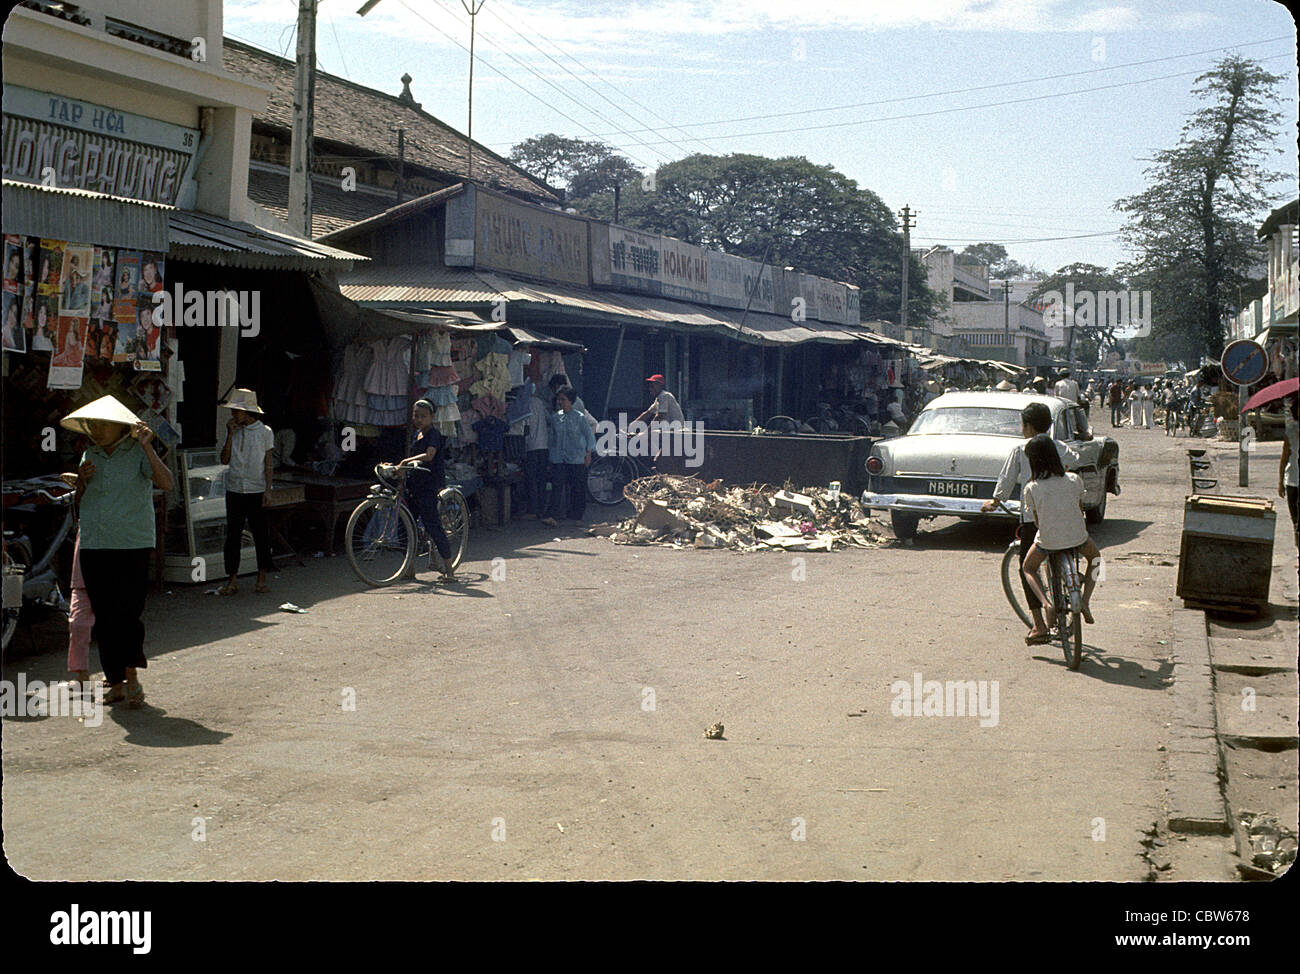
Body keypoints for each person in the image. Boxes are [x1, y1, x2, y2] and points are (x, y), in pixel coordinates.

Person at [63, 395, 173, 708]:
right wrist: (81, 482)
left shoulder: (138, 450)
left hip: (132, 543)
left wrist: (149, 446)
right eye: (92, 424)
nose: (96, 430)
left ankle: (132, 676)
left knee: (128, 615)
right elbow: (82, 499)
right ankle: (115, 683)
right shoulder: (90, 453)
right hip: (95, 544)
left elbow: (166, 483)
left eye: (102, 424)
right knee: (106, 619)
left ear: (118, 427)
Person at [981, 403, 1081, 645]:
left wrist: (995, 501)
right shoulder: (1061, 447)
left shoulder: (1020, 449)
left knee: (1027, 568)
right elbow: (1074, 462)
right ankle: (1079, 596)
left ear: (1028, 425)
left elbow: (1006, 481)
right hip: (1066, 520)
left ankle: (1039, 623)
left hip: (1034, 521)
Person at [1019, 434, 1100, 639]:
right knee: (1096, 559)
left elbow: (1038, 522)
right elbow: (1079, 510)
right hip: (1078, 538)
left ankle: (1046, 604)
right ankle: (1085, 601)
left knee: (1028, 567)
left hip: (1048, 541)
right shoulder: (1073, 479)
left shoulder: (1032, 488)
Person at [218, 389, 275, 595]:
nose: (233, 415)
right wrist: (230, 434)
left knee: (261, 534)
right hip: (234, 488)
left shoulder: (265, 432)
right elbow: (224, 459)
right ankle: (231, 579)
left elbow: (268, 463)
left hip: (256, 489)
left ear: (247, 412)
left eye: (236, 411)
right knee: (233, 536)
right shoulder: (233, 430)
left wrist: (268, 490)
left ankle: (261, 578)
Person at [394, 399, 455, 580]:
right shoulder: (417, 434)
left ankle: (449, 570)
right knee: (406, 526)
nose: (419, 419)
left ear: (432, 417)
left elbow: (429, 456)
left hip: (428, 486)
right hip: (414, 485)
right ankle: (410, 567)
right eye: (416, 416)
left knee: (433, 525)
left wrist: (405, 462)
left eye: (423, 416)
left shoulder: (434, 434)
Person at [543, 385, 595, 526]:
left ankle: (576, 515)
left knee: (577, 487)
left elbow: (589, 437)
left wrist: (588, 454)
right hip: (558, 457)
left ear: (570, 401)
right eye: (559, 399)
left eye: (563, 399)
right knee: (557, 486)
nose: (560, 402)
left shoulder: (580, 418)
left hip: (577, 458)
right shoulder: (556, 418)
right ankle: (552, 514)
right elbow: (552, 438)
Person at [521, 383, 551, 519]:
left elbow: (525, 427)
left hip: (532, 447)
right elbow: (549, 418)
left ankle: (533, 510)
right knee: (542, 479)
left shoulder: (524, 404)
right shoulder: (540, 402)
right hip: (544, 445)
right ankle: (542, 509)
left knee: (532, 480)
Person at [1281, 395, 1298, 551]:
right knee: (1297, 522)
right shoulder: (1291, 431)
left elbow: (1284, 459)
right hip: (1293, 481)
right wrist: (1280, 482)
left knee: (1297, 522)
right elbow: (1284, 458)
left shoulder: (1291, 431)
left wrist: (1280, 482)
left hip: (1293, 481)